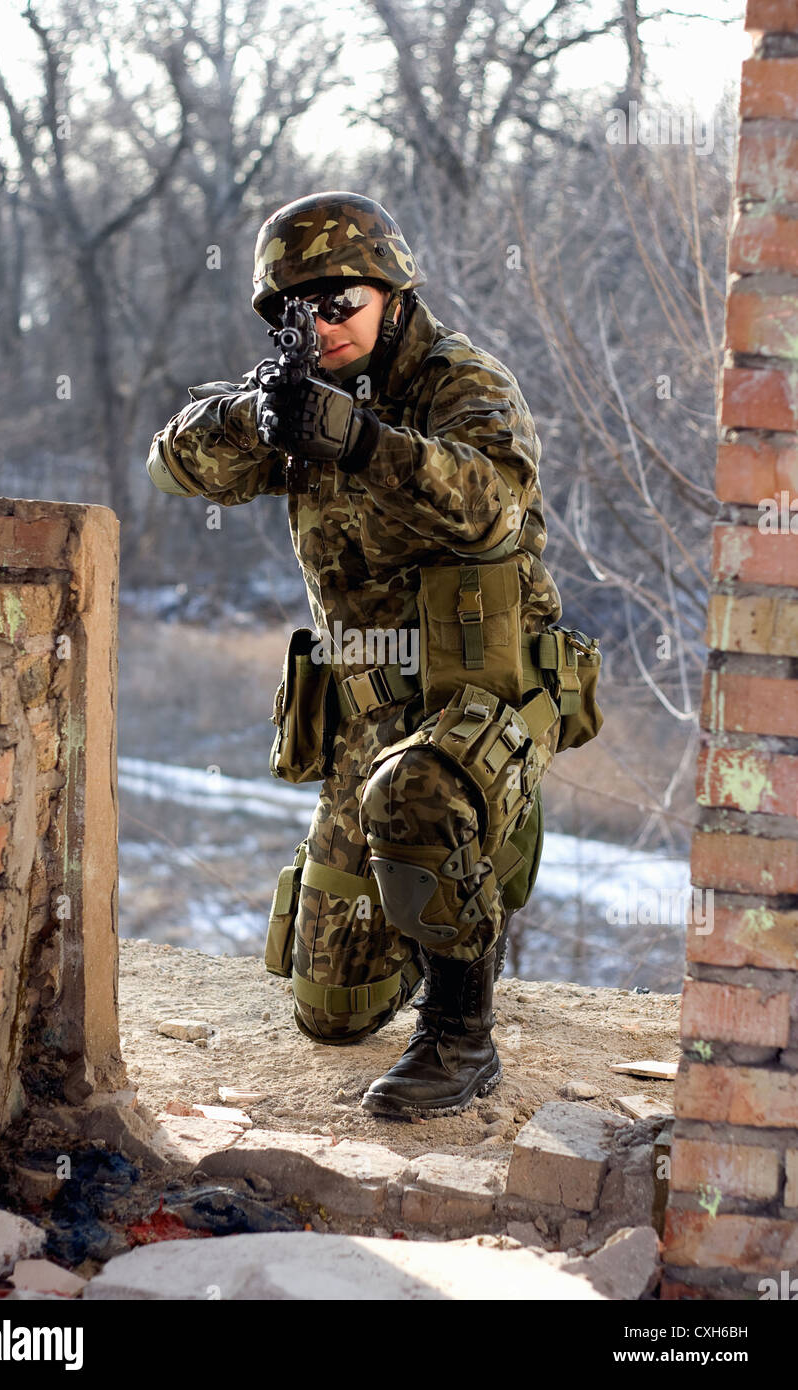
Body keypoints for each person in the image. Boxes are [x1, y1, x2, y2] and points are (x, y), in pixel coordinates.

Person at [146, 191, 596, 1118]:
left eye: (341, 303)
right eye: (295, 313)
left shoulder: (459, 380)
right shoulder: (301, 392)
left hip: (487, 688)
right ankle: (422, 898)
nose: (324, 325)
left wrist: (360, 444)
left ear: (390, 292)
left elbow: (490, 509)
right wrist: (248, 419)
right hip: (369, 707)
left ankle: (460, 1036)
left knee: (415, 794)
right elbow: (171, 468)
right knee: (333, 1012)